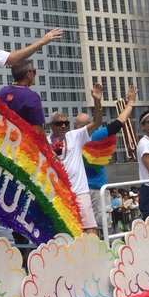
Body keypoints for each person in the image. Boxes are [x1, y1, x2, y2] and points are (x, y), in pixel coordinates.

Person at [47, 84, 103, 234]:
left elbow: (97, 122)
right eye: (59, 124)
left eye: (66, 123)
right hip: (58, 193)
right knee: (64, 230)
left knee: (89, 226)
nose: (64, 126)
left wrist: (97, 101)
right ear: (51, 125)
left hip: (79, 191)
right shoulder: (45, 142)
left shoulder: (75, 135)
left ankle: (96, 255)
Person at [79, 85, 137, 231]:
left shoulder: (74, 139)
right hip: (92, 190)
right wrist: (130, 102)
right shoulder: (91, 137)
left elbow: (118, 123)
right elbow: (119, 122)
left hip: (86, 190)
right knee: (102, 226)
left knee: (91, 226)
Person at [0, 61, 44, 134]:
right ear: (28, 74)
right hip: (24, 141)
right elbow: (37, 129)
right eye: (34, 71)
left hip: (2, 139)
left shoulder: (1, 92)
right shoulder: (32, 96)